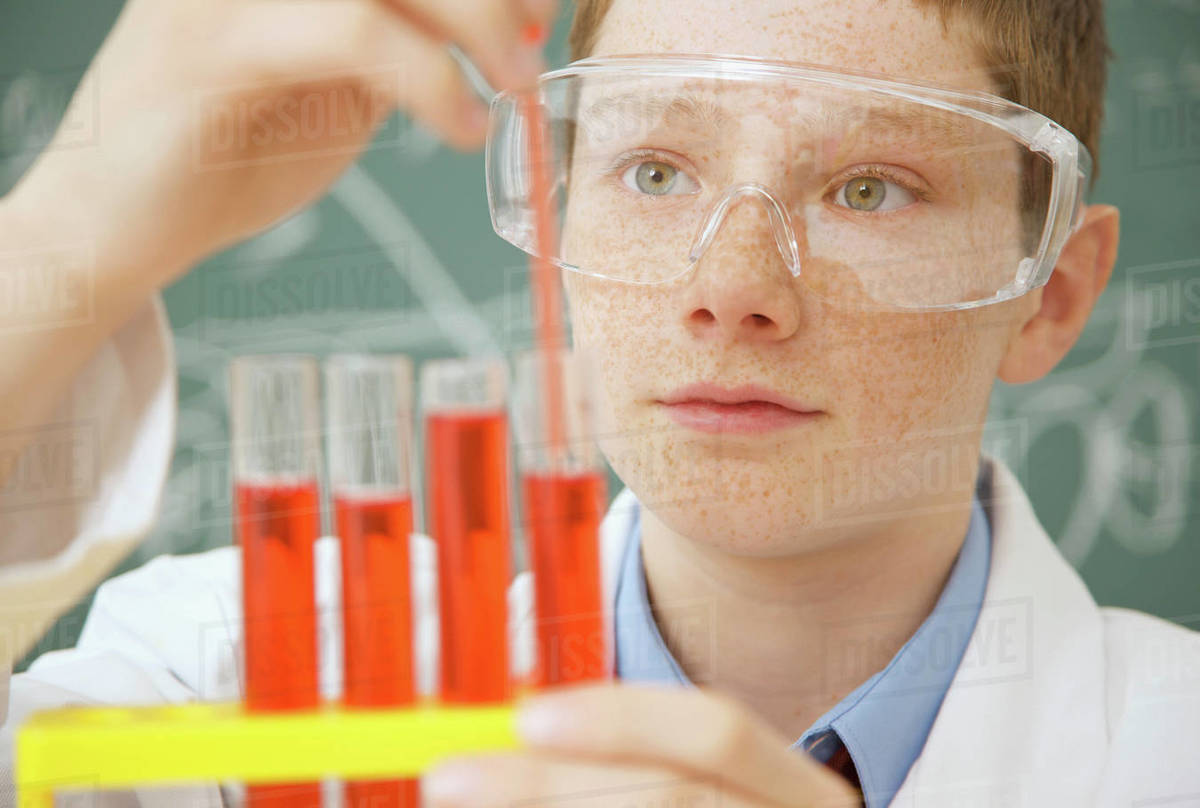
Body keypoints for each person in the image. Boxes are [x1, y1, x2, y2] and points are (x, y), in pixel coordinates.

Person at [1, 0, 1196, 806]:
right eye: (658, 171)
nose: (733, 292)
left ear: (1051, 295)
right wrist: (75, 221)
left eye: (871, 188)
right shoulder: (233, 680)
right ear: (562, 211)